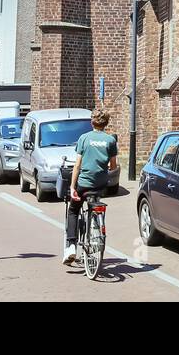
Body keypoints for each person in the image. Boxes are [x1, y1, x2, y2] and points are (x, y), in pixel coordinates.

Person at [63, 110, 118, 266]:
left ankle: (71, 246)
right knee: (95, 203)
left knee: (73, 210)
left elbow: (78, 165)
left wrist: (73, 187)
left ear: (92, 122)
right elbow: (113, 166)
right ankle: (97, 226)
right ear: (106, 123)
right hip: (101, 184)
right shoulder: (110, 140)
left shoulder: (84, 138)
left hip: (85, 183)